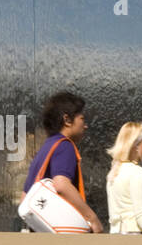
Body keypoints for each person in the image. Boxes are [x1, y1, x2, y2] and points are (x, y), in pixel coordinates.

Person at [21, 91, 102, 234]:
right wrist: (92, 218)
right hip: (61, 235)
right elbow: (61, 184)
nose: (85, 126)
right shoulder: (65, 146)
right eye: (82, 119)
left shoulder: (45, 149)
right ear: (67, 120)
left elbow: (25, 198)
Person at [106, 121, 142, 234]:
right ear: (136, 145)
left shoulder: (114, 172)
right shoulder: (137, 172)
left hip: (116, 234)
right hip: (135, 236)